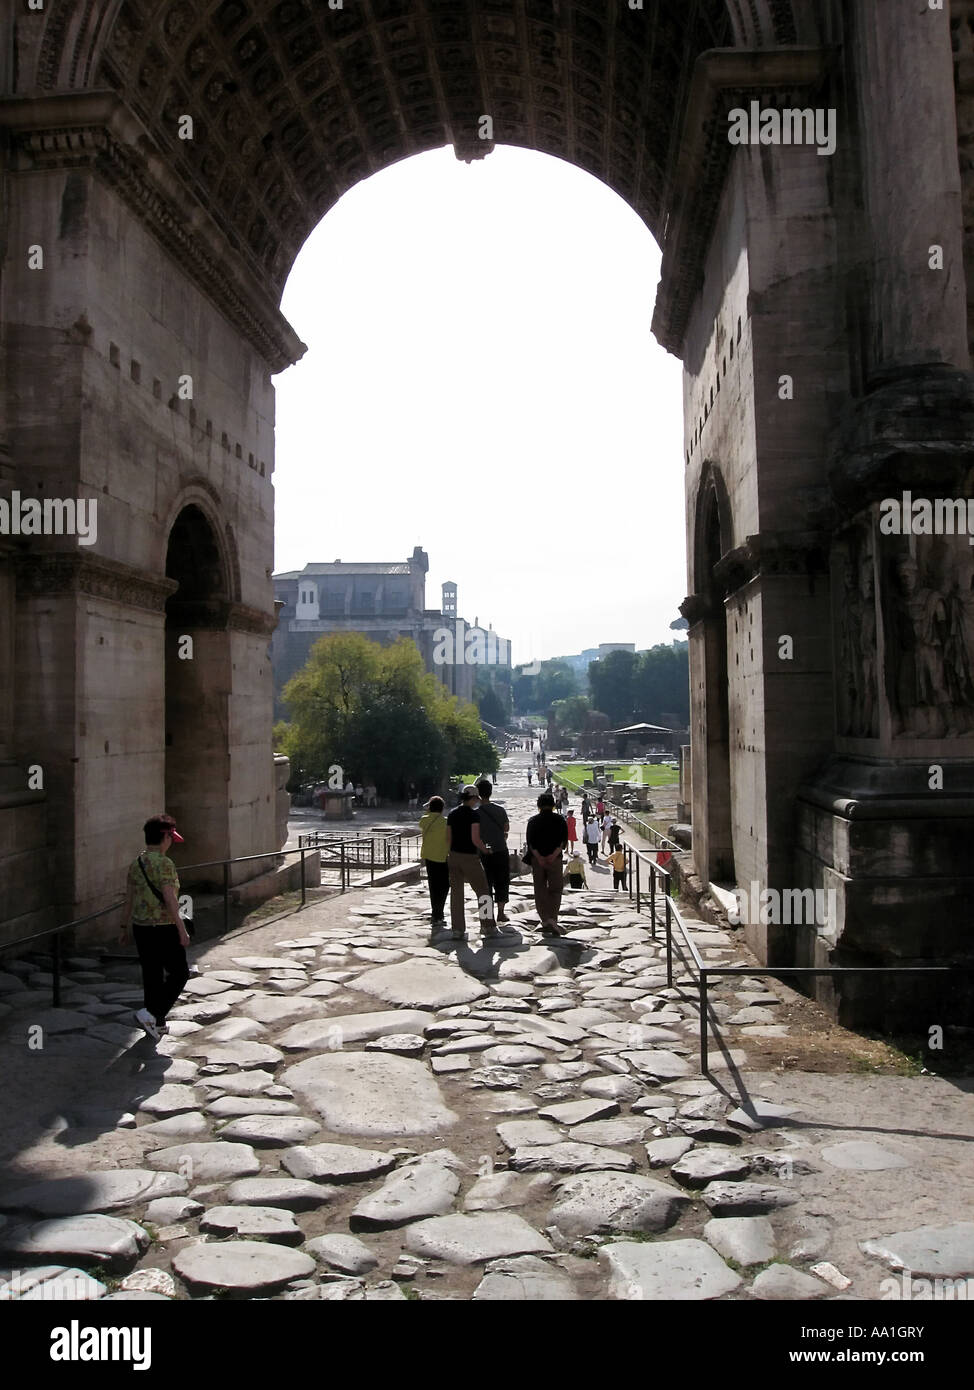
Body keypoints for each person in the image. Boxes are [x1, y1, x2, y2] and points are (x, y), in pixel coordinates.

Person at [119, 814, 190, 1042]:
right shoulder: (165, 863)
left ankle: (156, 1024)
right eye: (171, 837)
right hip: (164, 927)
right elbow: (170, 899)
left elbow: (128, 898)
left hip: (141, 927)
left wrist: (124, 926)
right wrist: (182, 929)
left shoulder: (135, 863)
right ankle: (151, 1013)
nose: (171, 842)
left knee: (152, 976)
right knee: (179, 974)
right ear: (165, 836)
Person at [446, 786, 505, 941]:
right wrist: (485, 850)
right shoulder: (473, 815)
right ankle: (487, 925)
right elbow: (475, 839)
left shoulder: (452, 814)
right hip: (469, 856)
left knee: (456, 893)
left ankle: (457, 929)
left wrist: (450, 853)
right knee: (483, 891)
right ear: (472, 798)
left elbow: (448, 838)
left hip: (453, 855)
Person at [525, 791, 569, 937]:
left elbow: (530, 843)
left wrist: (539, 857)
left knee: (539, 889)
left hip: (538, 860)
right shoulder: (560, 820)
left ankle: (544, 919)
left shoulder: (533, 821)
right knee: (555, 889)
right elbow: (563, 842)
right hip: (554, 860)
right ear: (553, 805)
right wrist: (553, 855)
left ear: (539, 805)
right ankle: (553, 918)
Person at [476, 779, 511, 924]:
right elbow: (506, 828)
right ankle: (501, 913)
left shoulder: (475, 813)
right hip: (500, 849)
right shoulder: (500, 810)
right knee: (502, 881)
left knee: (485, 884)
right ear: (490, 792)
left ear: (478, 795)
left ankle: (486, 916)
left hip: (483, 852)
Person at [419, 796, 450, 934]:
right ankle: (440, 912)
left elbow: (424, 817)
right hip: (443, 856)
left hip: (429, 856)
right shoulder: (446, 822)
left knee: (433, 885)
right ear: (442, 808)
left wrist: (428, 810)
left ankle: (435, 913)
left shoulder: (424, 820)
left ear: (430, 808)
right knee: (444, 886)